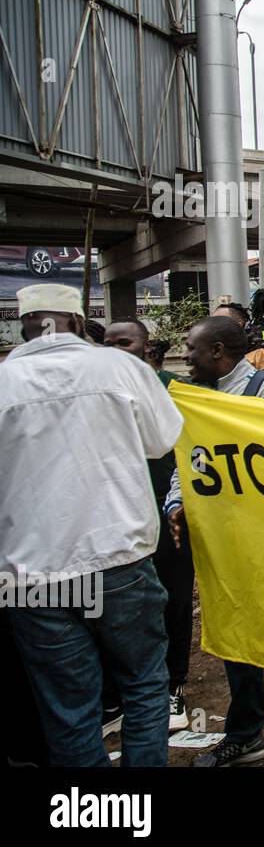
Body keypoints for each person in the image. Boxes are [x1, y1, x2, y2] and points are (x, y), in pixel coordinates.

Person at [0, 284, 182, 766]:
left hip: (30, 575)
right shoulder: (120, 368)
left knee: (68, 705)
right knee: (143, 681)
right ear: (81, 323)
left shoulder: (3, 381)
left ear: (24, 326)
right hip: (118, 556)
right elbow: (162, 441)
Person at [163, 316, 264, 767]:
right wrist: (176, 504)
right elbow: (190, 459)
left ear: (218, 351)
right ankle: (245, 733)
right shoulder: (200, 402)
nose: (187, 356)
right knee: (239, 636)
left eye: (192, 348)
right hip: (228, 543)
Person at [104, 318, 194, 733]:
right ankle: (119, 694)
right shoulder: (97, 393)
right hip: (116, 523)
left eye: (126, 342)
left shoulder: (174, 390)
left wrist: (178, 503)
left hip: (167, 515)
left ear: (148, 350)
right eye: (109, 343)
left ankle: (173, 686)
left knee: (173, 605)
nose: (117, 349)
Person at [215, 301, 264, 377]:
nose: (211, 325)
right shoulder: (214, 350)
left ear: (239, 324)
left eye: (218, 321)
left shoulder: (261, 353)